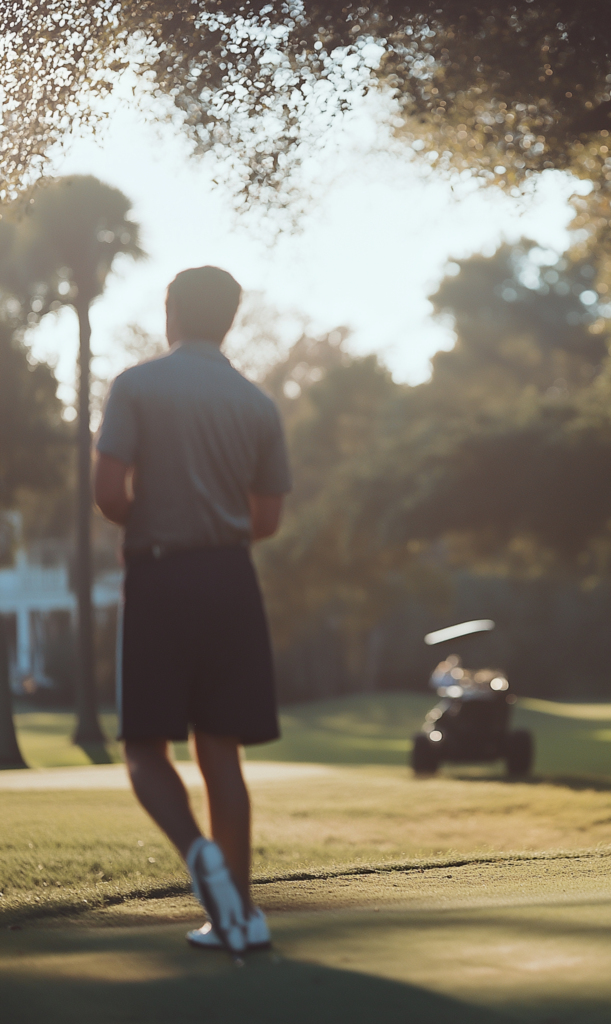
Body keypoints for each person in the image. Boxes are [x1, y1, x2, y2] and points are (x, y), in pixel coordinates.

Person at [94, 266, 291, 950]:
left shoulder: (136, 386)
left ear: (171, 311)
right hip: (231, 581)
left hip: (161, 576)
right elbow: (265, 520)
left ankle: (198, 857)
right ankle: (239, 914)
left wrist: (153, 515)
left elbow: (108, 492)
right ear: (231, 319)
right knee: (221, 754)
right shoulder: (258, 404)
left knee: (145, 746)